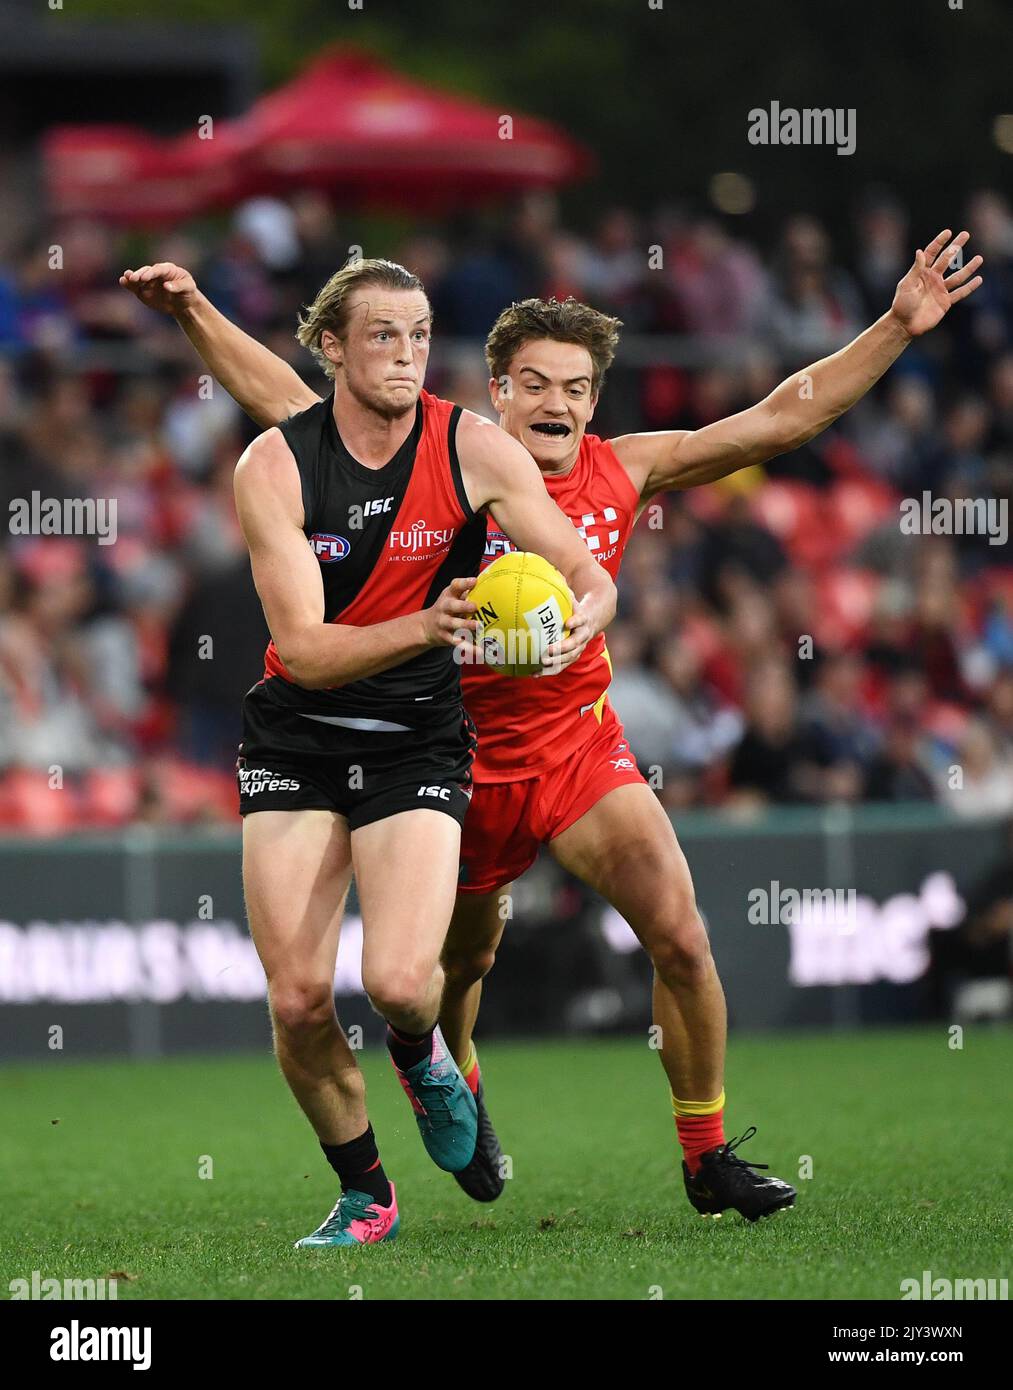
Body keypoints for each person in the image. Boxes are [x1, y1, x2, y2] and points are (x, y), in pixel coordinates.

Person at [123, 227, 982, 1224]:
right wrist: (192, 313)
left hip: (576, 747)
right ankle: (459, 1085)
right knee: (449, 973)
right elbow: (286, 397)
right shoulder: (438, 455)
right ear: (498, 389)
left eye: (575, 388)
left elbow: (775, 420)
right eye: (534, 384)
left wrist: (892, 326)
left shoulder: (625, 472)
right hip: (447, 754)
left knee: (681, 935)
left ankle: (706, 1155)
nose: (557, 405)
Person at [122, 257, 615, 1246]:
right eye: (381, 334)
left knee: (398, 980)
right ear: (332, 348)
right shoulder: (273, 465)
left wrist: (583, 613)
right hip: (298, 734)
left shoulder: (473, 447)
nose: (404, 352)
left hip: (414, 739)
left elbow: (578, 565)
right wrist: (430, 626)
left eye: (420, 334)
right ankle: (365, 1193)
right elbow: (303, 653)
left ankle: (421, 1051)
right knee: (298, 996)